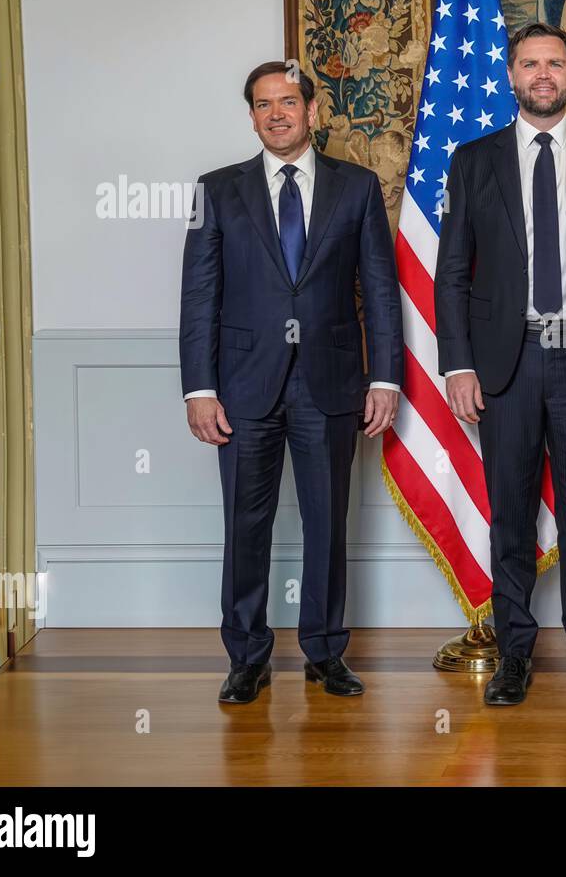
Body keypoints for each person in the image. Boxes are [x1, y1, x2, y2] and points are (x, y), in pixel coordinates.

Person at [434, 23, 566, 707]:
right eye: (531, 63)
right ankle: (514, 654)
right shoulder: (474, 160)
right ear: (512, 74)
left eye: (555, 63)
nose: (544, 74)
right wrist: (458, 365)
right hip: (505, 362)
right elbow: (451, 274)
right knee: (512, 517)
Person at [180, 62, 403, 703]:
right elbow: (199, 298)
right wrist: (199, 389)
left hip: (332, 384)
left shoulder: (356, 188)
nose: (276, 113)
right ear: (251, 115)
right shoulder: (216, 191)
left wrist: (385, 376)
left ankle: (325, 651)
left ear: (312, 109)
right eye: (262, 104)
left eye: (287, 101)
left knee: (327, 521)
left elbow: (381, 294)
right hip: (242, 388)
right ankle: (246, 656)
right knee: (244, 524)